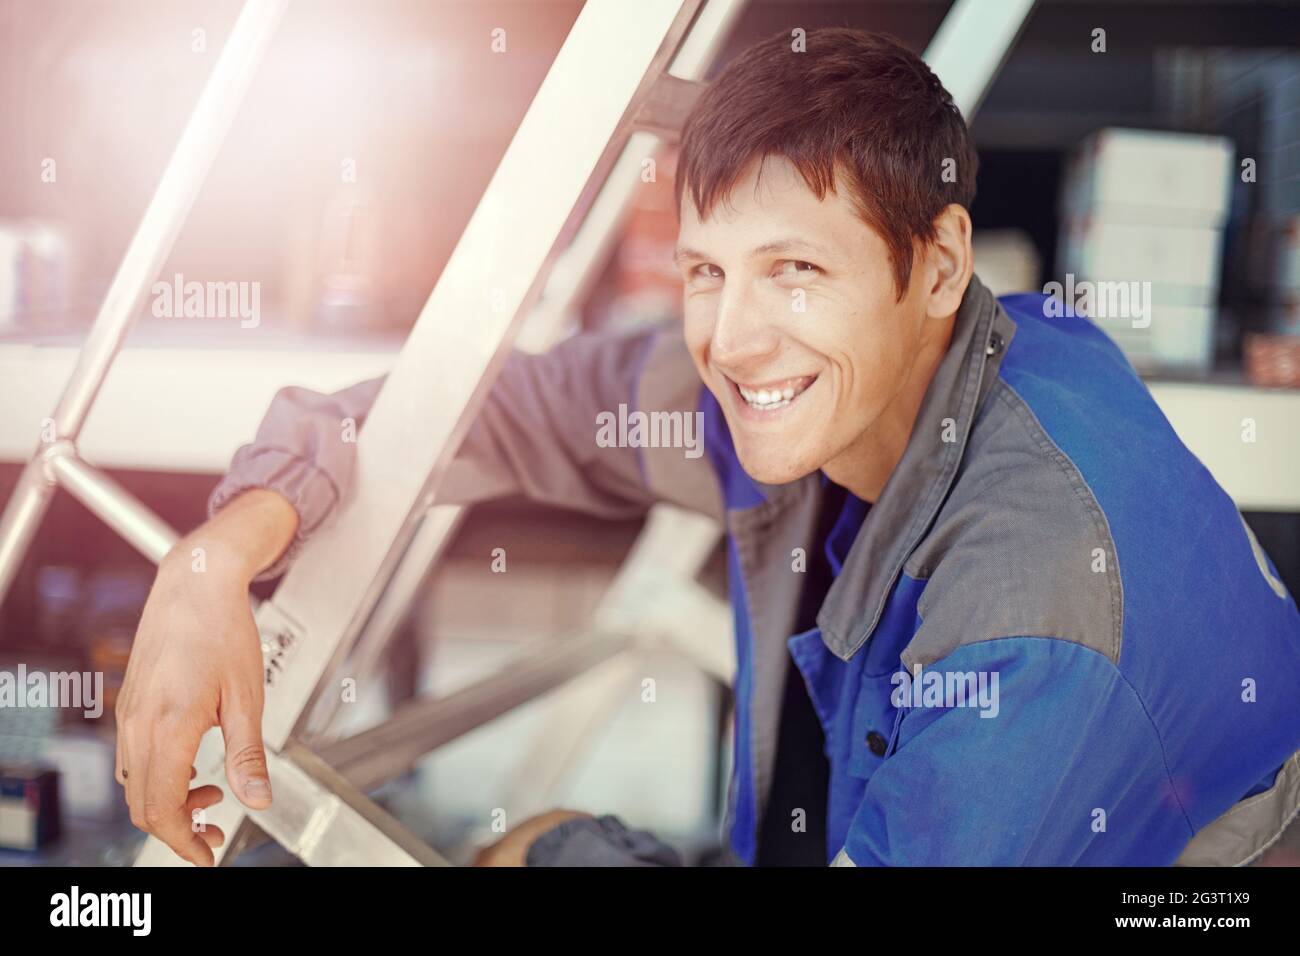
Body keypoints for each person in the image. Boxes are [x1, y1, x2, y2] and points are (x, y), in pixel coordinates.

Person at [116, 27, 1300, 867]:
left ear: (937, 264)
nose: (731, 339)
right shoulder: (819, 383)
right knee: (530, 848)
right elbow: (456, 411)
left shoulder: (1034, 596)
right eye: (705, 271)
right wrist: (217, 553)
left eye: (795, 267)